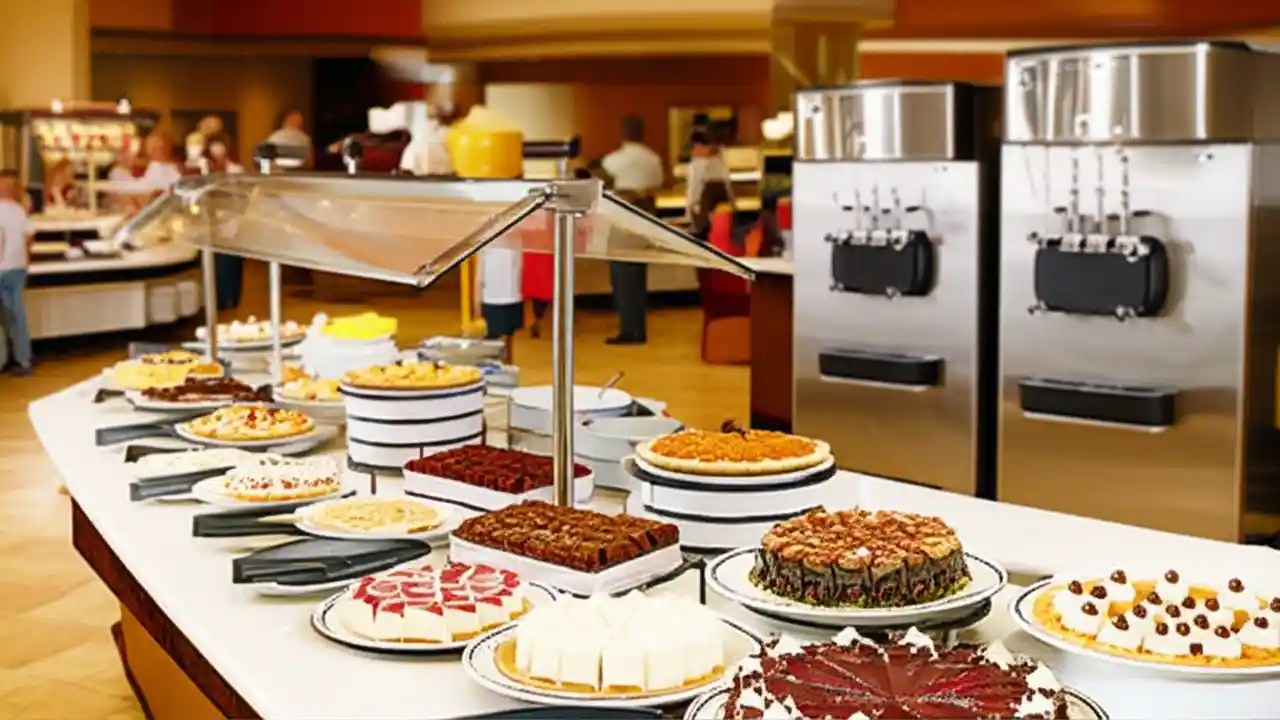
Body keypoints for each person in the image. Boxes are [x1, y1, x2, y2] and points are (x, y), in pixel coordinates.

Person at [600, 115, 663, 345]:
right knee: (638, 277)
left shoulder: (617, 159)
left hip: (623, 217)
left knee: (621, 276)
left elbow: (602, 174)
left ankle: (629, 330)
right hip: (646, 217)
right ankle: (639, 328)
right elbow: (658, 182)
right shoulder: (653, 158)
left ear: (623, 133)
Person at [201, 133, 246, 310]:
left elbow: (241, 198)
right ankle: (214, 300)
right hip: (208, 225)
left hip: (230, 224)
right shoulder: (203, 169)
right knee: (214, 265)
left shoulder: (236, 170)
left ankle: (230, 300)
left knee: (230, 264)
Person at [0, 170, 34, 375]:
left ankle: (2, 360)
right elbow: (29, 238)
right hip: (17, 267)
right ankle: (23, 359)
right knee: (16, 315)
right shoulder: (19, 211)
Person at [685, 129, 733, 240]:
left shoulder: (696, 165)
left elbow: (693, 191)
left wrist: (689, 212)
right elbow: (728, 189)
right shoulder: (720, 163)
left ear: (698, 146)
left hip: (704, 215)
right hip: (722, 216)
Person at [480, 247, 523, 363]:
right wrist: (477, 296)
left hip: (514, 295)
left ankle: (508, 364)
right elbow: (480, 270)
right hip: (493, 296)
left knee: (509, 335)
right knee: (495, 337)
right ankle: (493, 366)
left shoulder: (517, 239)